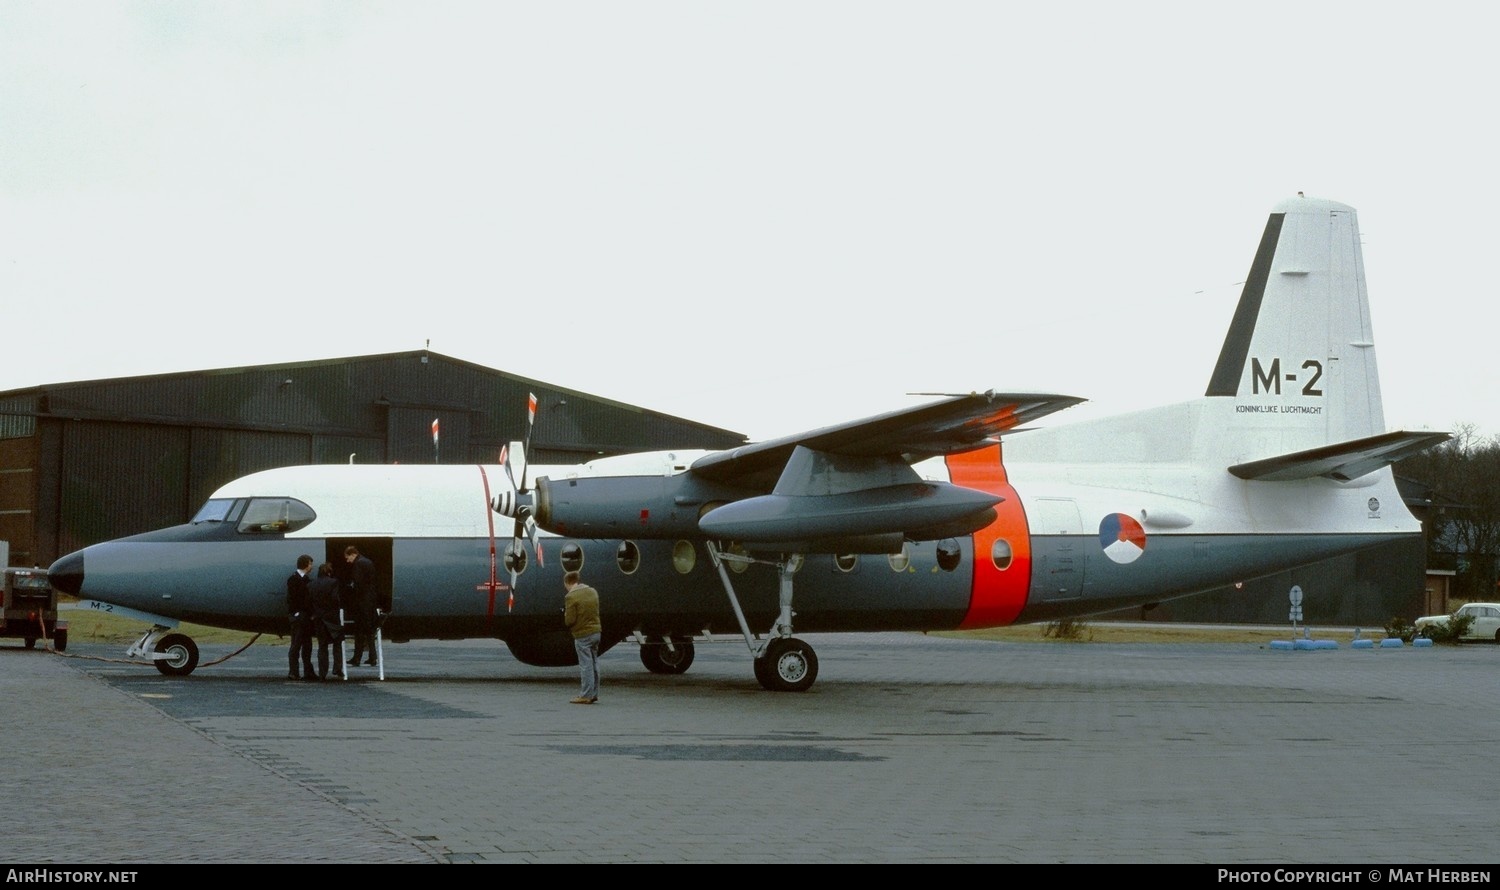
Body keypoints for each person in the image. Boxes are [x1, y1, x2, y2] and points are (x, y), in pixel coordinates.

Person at [562, 570, 601, 704]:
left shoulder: (571, 597)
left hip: (582, 634)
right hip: (596, 632)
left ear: (567, 582)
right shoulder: (592, 591)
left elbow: (570, 620)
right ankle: (594, 693)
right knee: (594, 663)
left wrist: (565, 613)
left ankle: (585, 695)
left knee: (585, 665)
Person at [307, 562, 345, 680]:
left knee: (322, 646)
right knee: (337, 643)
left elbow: (308, 602)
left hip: (319, 618)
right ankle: (337, 668)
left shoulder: (311, 584)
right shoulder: (333, 582)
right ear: (329, 572)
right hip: (332, 617)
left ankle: (322, 673)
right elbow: (335, 598)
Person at [343, 545, 379, 667]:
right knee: (370, 632)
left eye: (348, 558)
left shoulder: (358, 564)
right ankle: (372, 657)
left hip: (361, 603)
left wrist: (349, 589)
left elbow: (357, 583)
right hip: (370, 602)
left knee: (358, 631)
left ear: (353, 554)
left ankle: (357, 658)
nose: (347, 561)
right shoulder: (368, 562)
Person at [285, 554, 316, 681]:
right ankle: (293, 671)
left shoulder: (303, 579)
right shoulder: (294, 580)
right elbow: (293, 599)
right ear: (306, 564)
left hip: (305, 617)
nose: (311, 566)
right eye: (310, 564)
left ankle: (307, 671)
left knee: (307, 645)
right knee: (296, 645)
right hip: (299, 616)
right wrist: (297, 613)